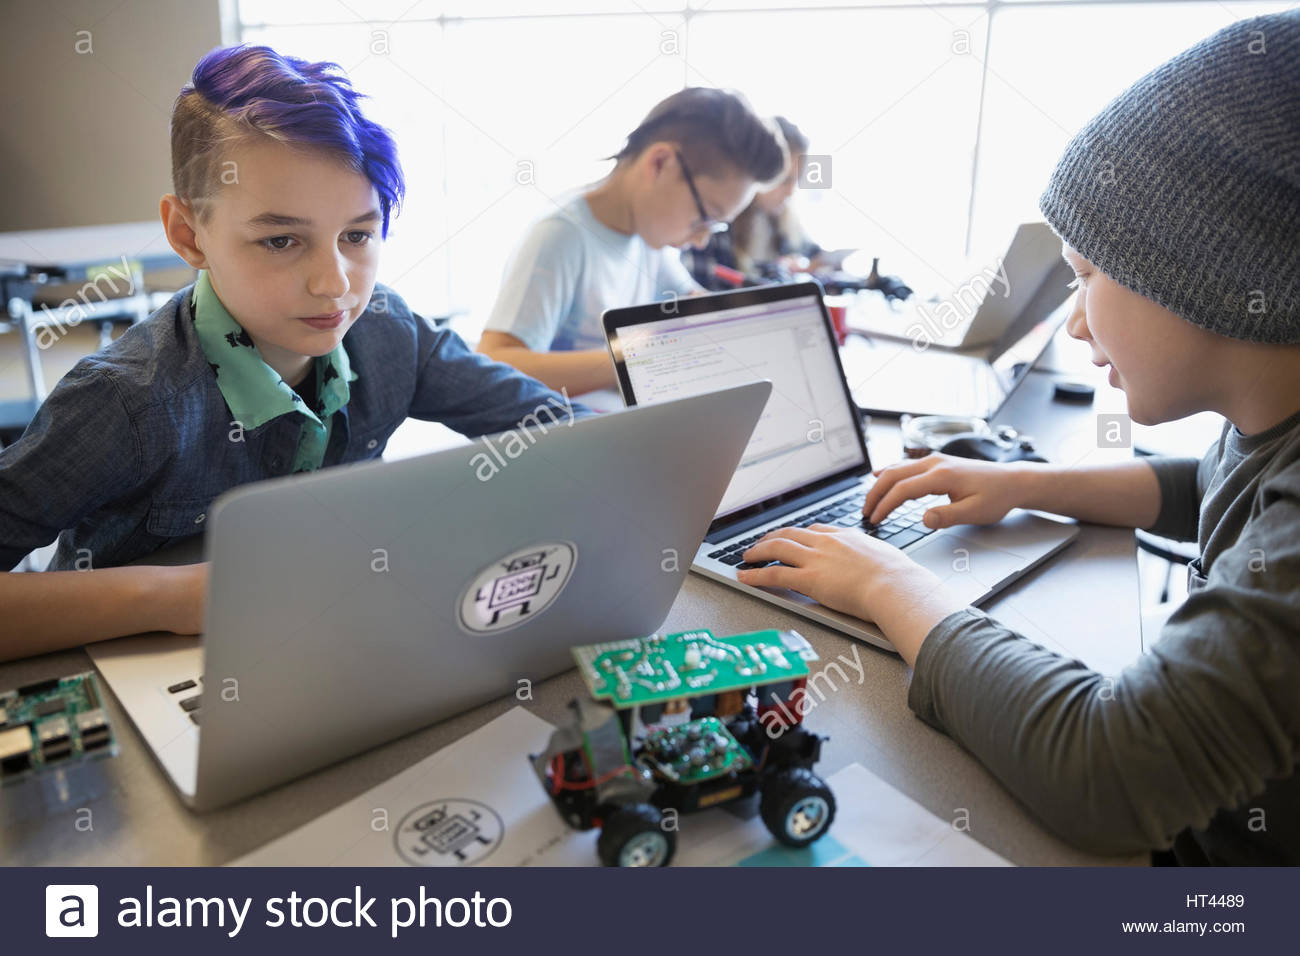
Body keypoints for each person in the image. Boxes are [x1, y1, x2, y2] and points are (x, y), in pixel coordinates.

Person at [735, 12, 1300, 864]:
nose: (1074, 322)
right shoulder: (1268, 424)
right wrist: (1027, 485)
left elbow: (1110, 773)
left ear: (1217, 270)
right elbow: (1207, 488)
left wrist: (892, 585)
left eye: (1086, 276)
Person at [0, 45, 588, 662]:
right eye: (281, 240)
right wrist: (172, 596)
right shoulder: (124, 401)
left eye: (357, 235)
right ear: (187, 234)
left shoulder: (389, 331)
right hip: (139, 675)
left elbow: (558, 430)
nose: (335, 283)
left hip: (332, 633)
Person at [477, 88, 788, 394]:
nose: (702, 239)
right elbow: (496, 361)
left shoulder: (649, 238)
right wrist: (635, 359)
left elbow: (694, 305)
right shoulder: (561, 236)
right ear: (659, 163)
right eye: (704, 217)